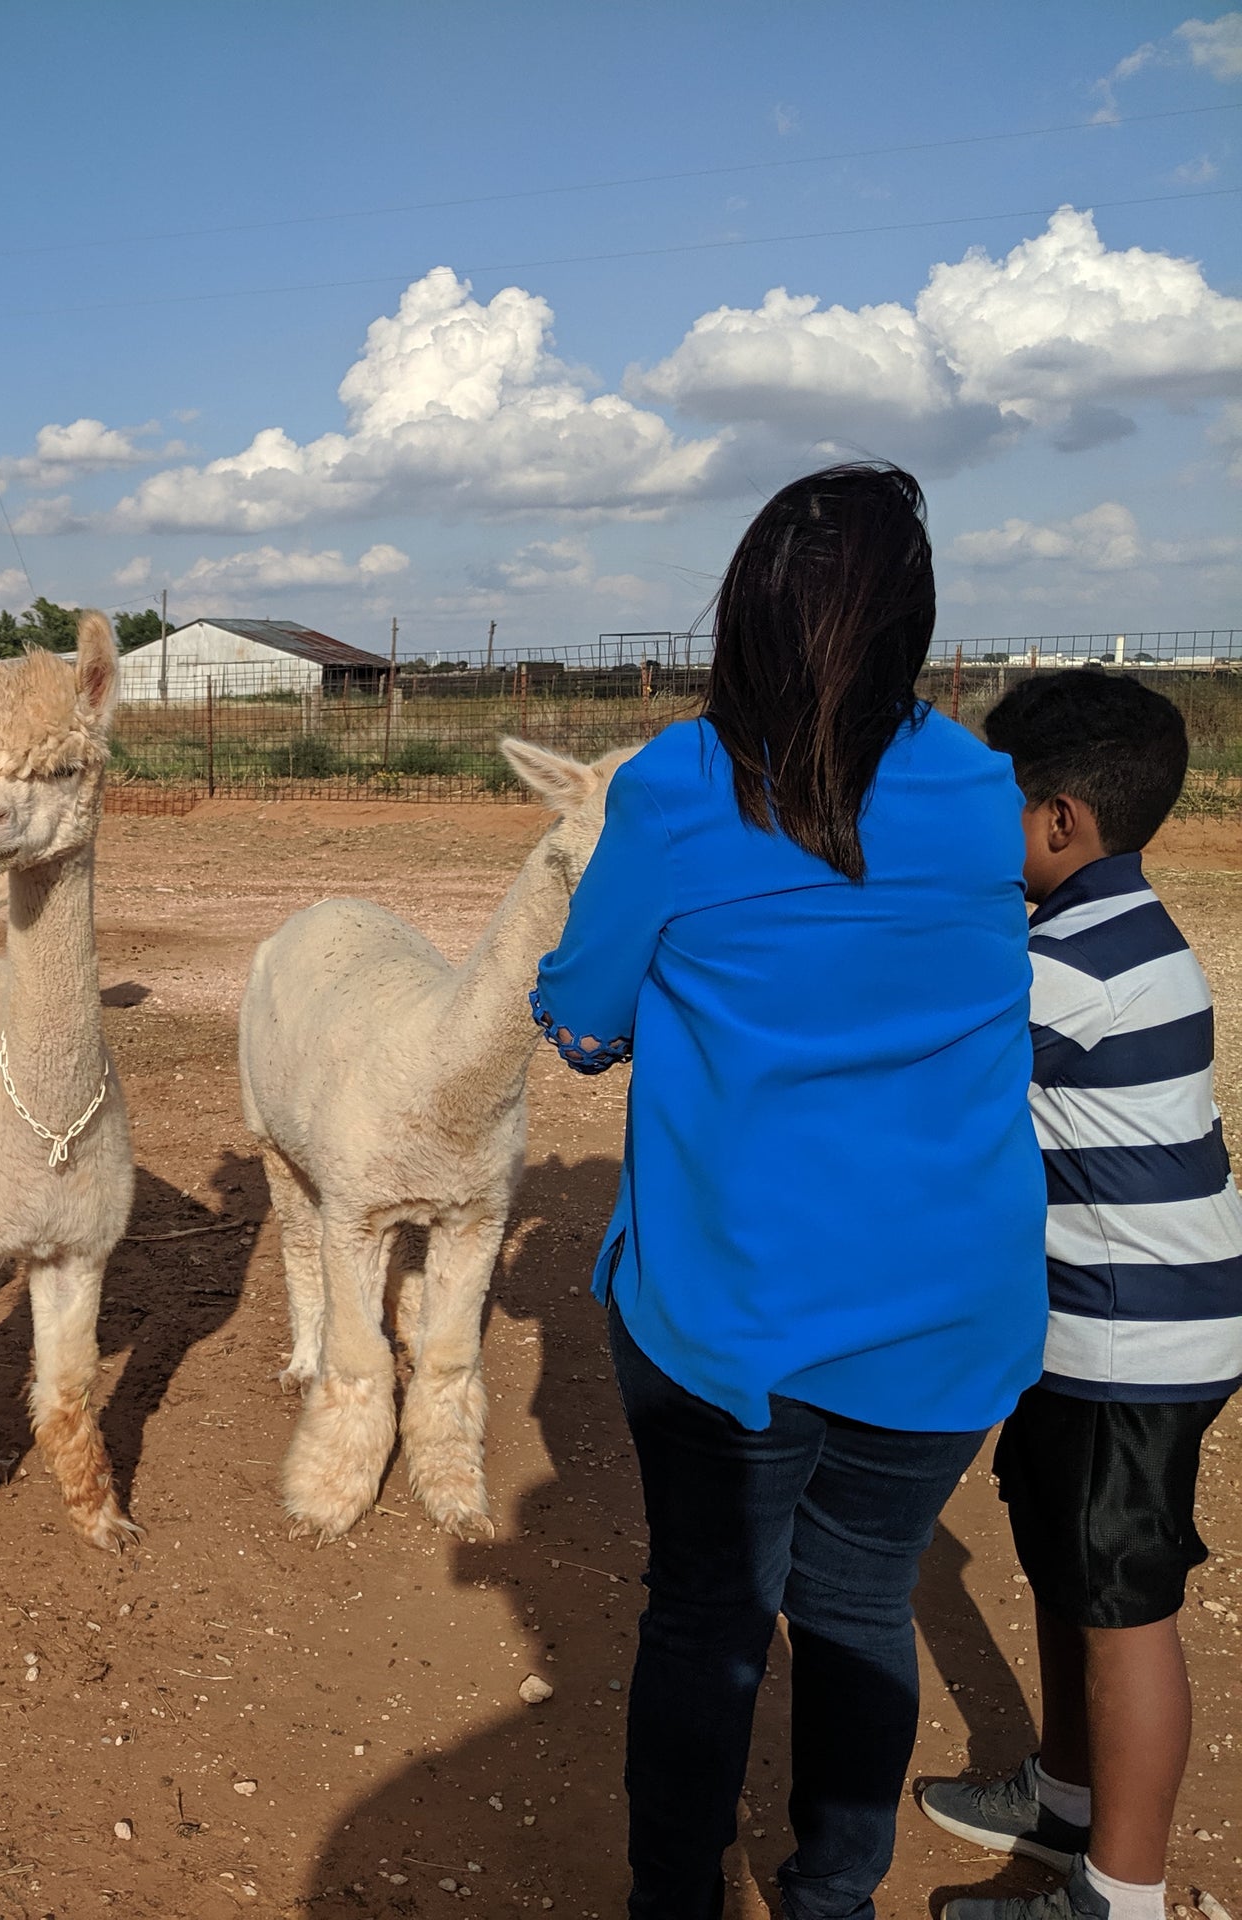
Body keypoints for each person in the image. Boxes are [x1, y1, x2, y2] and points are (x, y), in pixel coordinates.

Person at [530, 463, 1048, 1920]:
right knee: (861, 1608)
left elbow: (580, 1020)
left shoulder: (676, 793)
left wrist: (614, 1016)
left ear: (742, 618)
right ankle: (834, 1894)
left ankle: (672, 1899)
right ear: (915, 628)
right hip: (950, 1317)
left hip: (729, 1313)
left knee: (706, 1617)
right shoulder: (990, 797)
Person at [920, 672, 1236, 1920]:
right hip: (1098, 1324)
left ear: (1056, 823)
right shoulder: (1104, 933)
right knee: (1066, 1568)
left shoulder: (1077, 966)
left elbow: (931, 1050)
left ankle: (1123, 1893)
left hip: (1133, 1339)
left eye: (990, 810)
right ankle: (1061, 1798)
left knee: (1122, 1609)